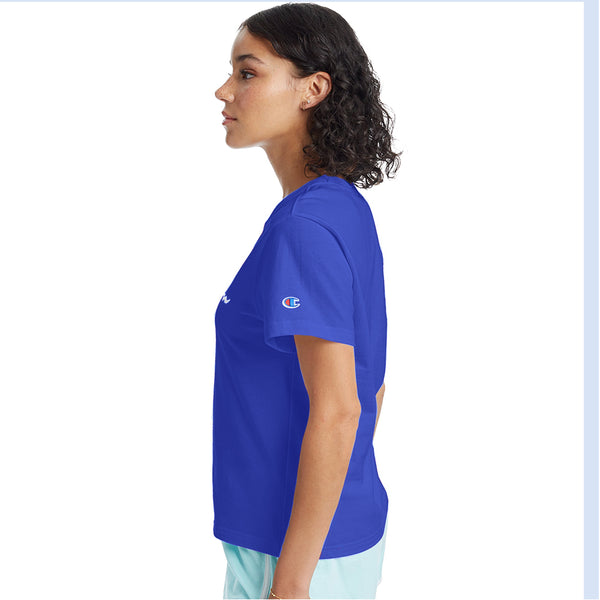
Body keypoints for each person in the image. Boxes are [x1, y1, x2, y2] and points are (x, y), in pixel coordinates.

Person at [212, 3, 402, 598]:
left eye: (247, 73)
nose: (224, 91)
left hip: (295, 555)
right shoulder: (339, 205)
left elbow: (342, 409)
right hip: (321, 542)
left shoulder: (304, 227)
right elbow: (371, 385)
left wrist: (291, 584)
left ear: (312, 89)